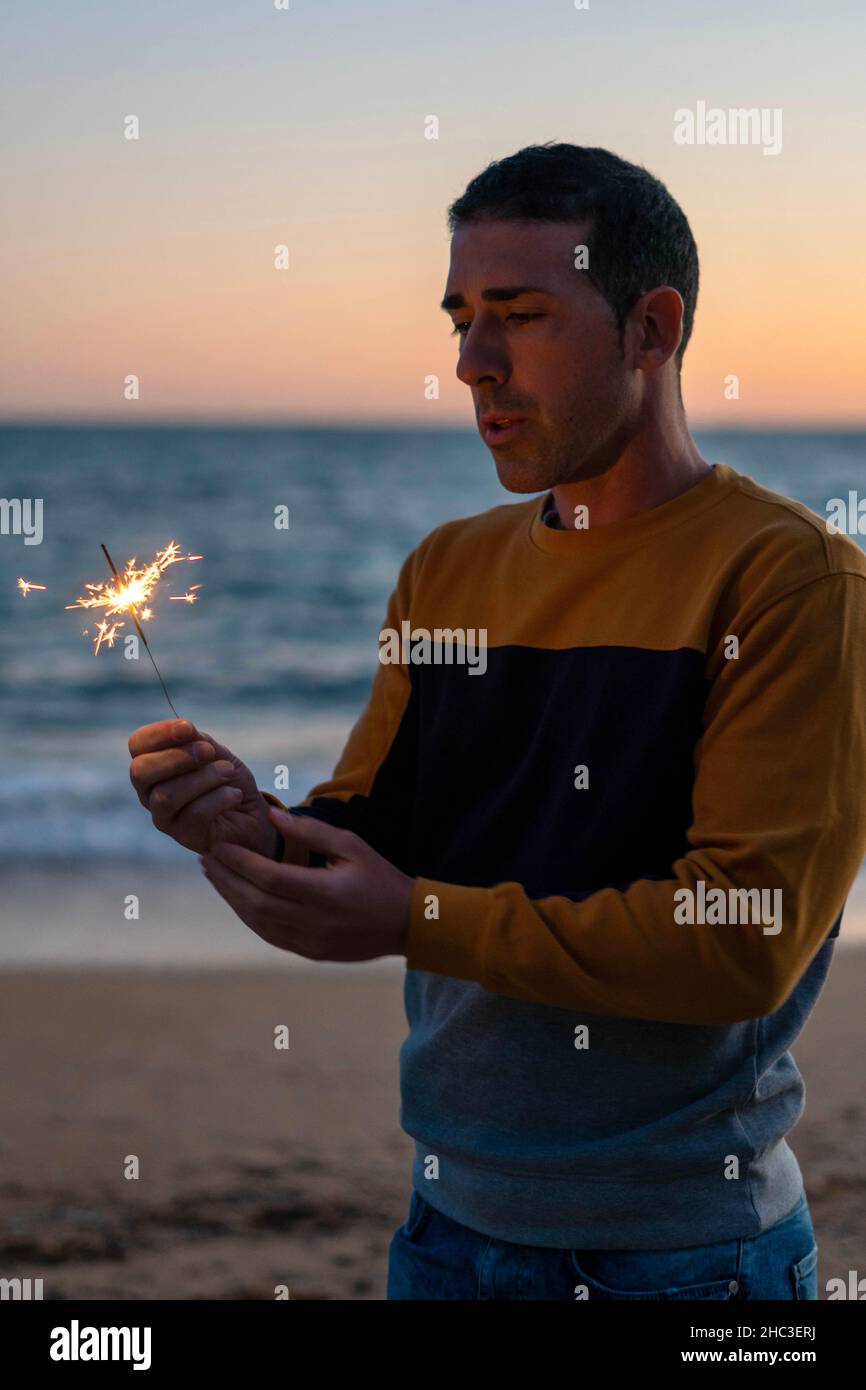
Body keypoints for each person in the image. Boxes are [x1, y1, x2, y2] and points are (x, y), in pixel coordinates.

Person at [128, 143, 866, 1300]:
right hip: (444, 1231)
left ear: (651, 327)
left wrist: (410, 915)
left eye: (519, 315)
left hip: (681, 1257)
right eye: (460, 318)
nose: (472, 363)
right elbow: (368, 843)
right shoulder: (446, 570)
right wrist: (239, 826)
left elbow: (742, 941)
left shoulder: (786, 581)